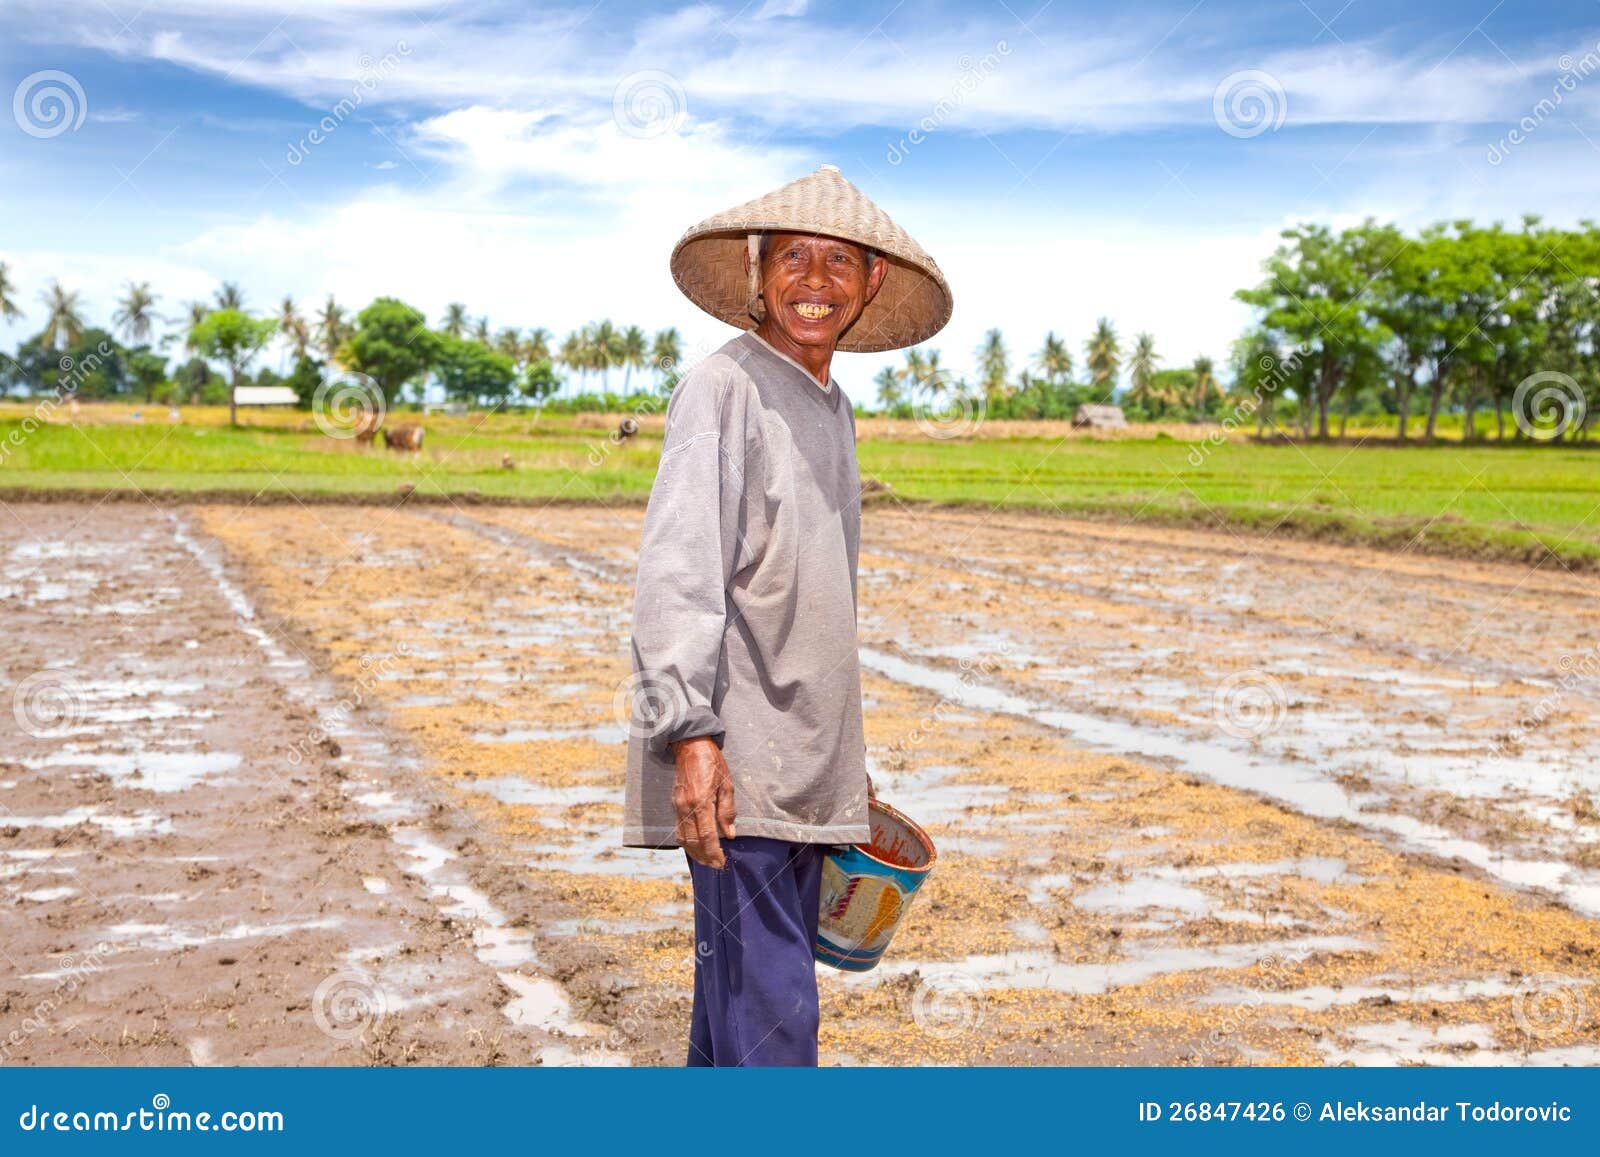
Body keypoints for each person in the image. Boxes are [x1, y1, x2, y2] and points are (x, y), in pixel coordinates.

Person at [622, 164, 952, 1067]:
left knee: (733, 1024)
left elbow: (812, 603)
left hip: (804, 773)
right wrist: (690, 735)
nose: (816, 280)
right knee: (775, 1029)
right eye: (793, 258)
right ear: (758, 273)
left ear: (871, 281)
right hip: (740, 774)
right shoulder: (721, 390)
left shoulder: (832, 410)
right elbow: (676, 574)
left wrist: (843, 767)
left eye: (838, 261)